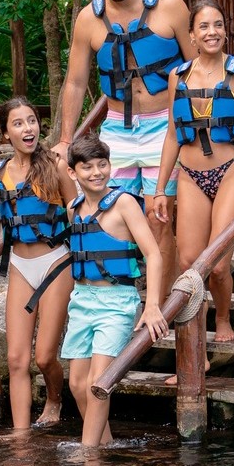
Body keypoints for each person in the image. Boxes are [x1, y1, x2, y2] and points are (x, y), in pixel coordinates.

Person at [53, 0, 192, 302]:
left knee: (158, 218)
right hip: (118, 128)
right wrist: (65, 139)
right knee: (112, 217)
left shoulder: (170, 6)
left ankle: (162, 308)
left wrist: (197, 127)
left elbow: (198, 69)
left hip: (165, 125)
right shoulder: (88, 19)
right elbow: (75, 82)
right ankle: (123, 305)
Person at [155, 0, 234, 342]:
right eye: (204, 26)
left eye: (218, 25)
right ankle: (195, 343)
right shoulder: (177, 76)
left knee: (218, 263)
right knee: (188, 262)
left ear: (225, 31)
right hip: (190, 175)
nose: (212, 32)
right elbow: (172, 135)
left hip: (231, 170)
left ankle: (223, 319)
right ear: (191, 35)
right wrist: (160, 189)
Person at [0, 99, 71, 430]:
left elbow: (79, 212)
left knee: (44, 356)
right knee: (16, 359)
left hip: (56, 263)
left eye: (32, 120)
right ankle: (21, 437)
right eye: (18, 123)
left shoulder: (56, 166)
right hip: (20, 265)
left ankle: (55, 399)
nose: (28, 128)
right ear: (6, 133)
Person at [62, 132, 166, 447]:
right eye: (87, 167)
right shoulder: (73, 208)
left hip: (116, 301)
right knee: (77, 384)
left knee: (98, 383)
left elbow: (153, 254)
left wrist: (152, 305)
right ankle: (104, 447)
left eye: (102, 164)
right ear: (73, 173)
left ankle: (88, 457)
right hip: (82, 300)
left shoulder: (124, 203)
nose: (96, 172)